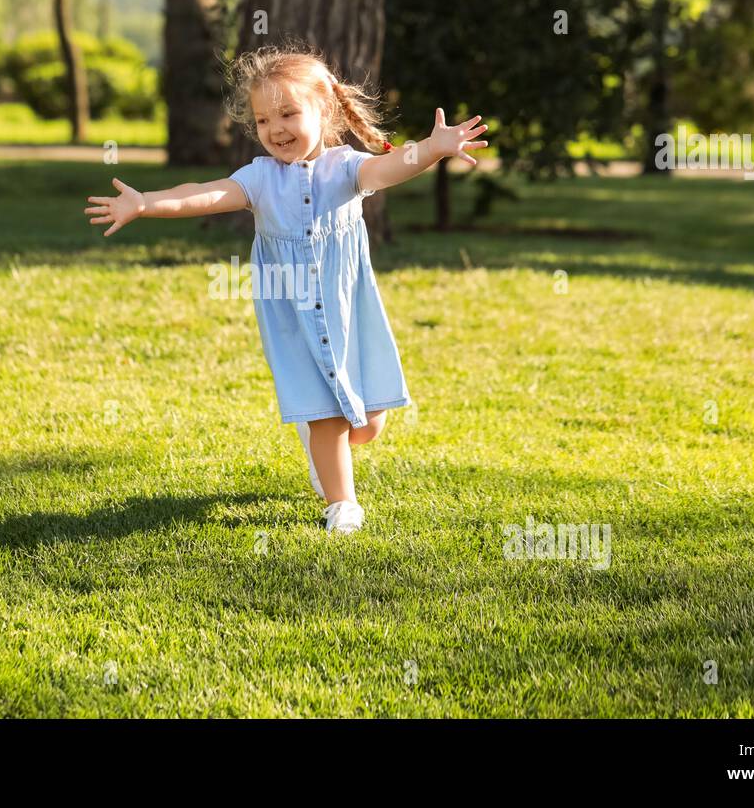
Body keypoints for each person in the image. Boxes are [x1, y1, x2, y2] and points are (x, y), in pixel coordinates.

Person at [85, 44, 488, 534]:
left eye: (288, 113)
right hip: (293, 313)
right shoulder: (259, 178)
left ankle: (321, 441)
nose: (274, 129)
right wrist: (147, 202)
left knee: (369, 422)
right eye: (262, 120)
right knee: (329, 417)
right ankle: (342, 503)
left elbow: (391, 166)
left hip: (346, 310)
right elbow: (207, 192)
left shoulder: (346, 168)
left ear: (324, 110)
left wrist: (431, 149)